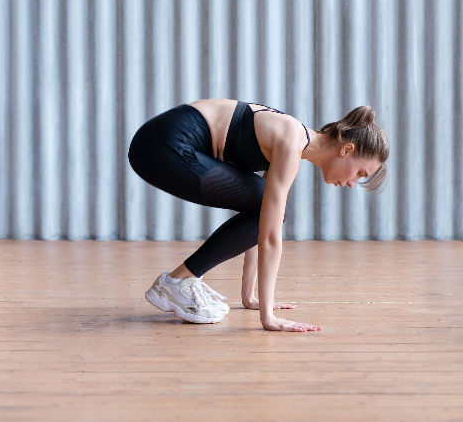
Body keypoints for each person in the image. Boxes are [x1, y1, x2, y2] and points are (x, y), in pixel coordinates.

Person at [128, 100, 389, 331]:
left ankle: (180, 280)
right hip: (163, 145)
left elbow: (261, 219)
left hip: (158, 143)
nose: (354, 182)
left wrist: (250, 297)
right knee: (275, 211)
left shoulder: (292, 138)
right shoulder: (290, 141)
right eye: (360, 173)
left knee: (263, 205)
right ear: (347, 150)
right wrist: (268, 317)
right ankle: (176, 282)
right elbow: (271, 237)